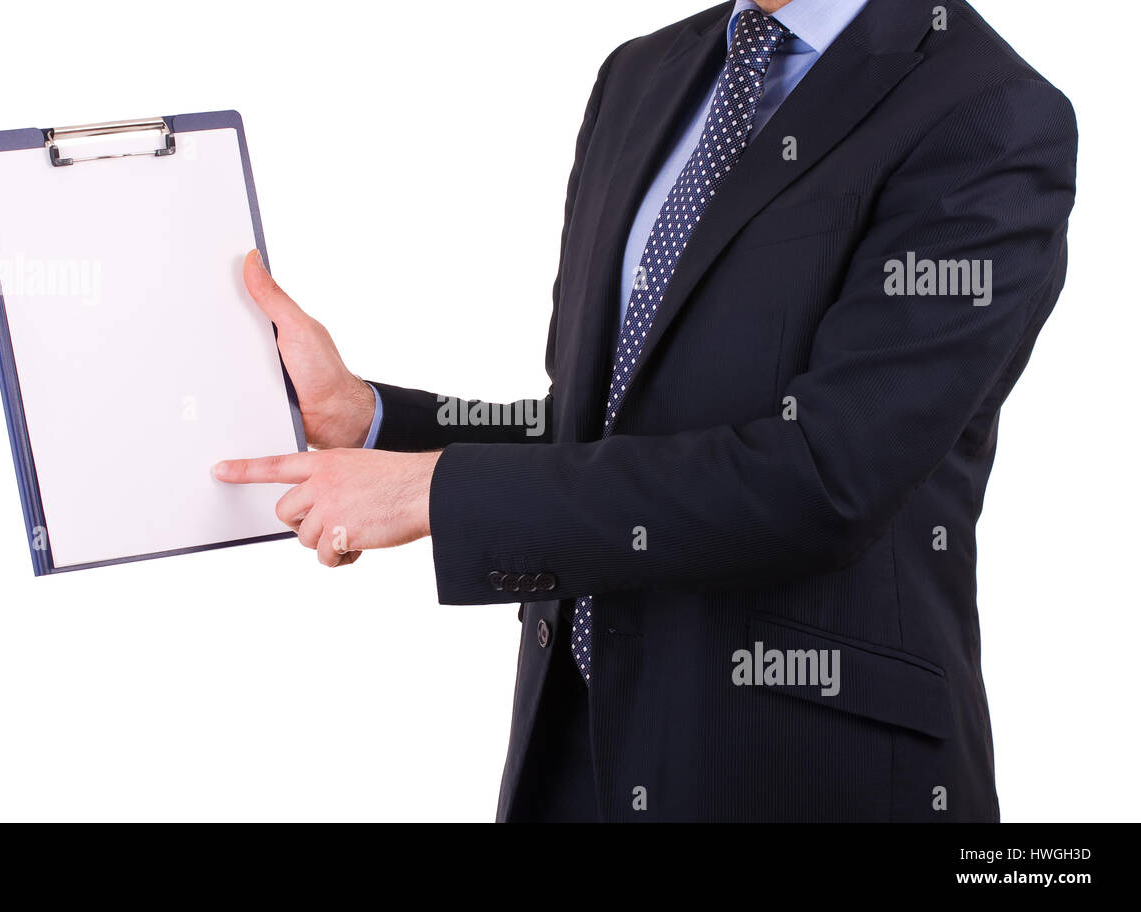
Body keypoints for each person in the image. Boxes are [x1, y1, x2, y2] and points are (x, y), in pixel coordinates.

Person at [211, 0, 1078, 821]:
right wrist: (371, 422)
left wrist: (433, 494)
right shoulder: (642, 75)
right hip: (577, 745)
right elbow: (598, 430)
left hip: (802, 768)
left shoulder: (989, 116)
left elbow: (824, 477)